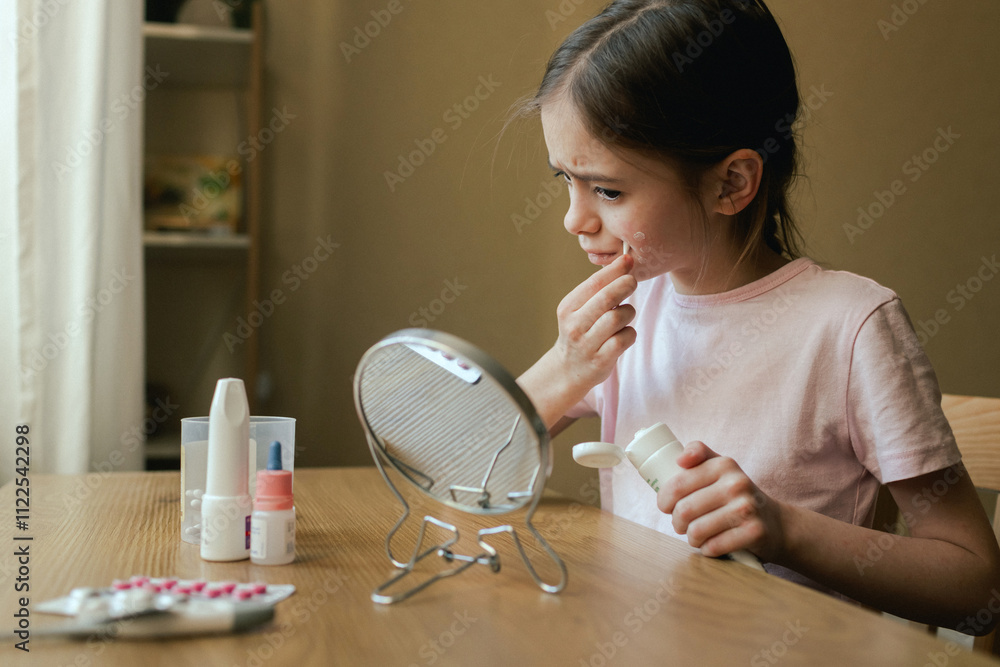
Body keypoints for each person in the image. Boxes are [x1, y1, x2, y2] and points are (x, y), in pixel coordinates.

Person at [514, 0, 1000, 633]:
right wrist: (563, 369)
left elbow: (977, 586)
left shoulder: (850, 327)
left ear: (732, 184)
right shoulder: (627, 317)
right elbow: (455, 464)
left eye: (607, 190)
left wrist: (783, 530)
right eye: (565, 181)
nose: (574, 219)